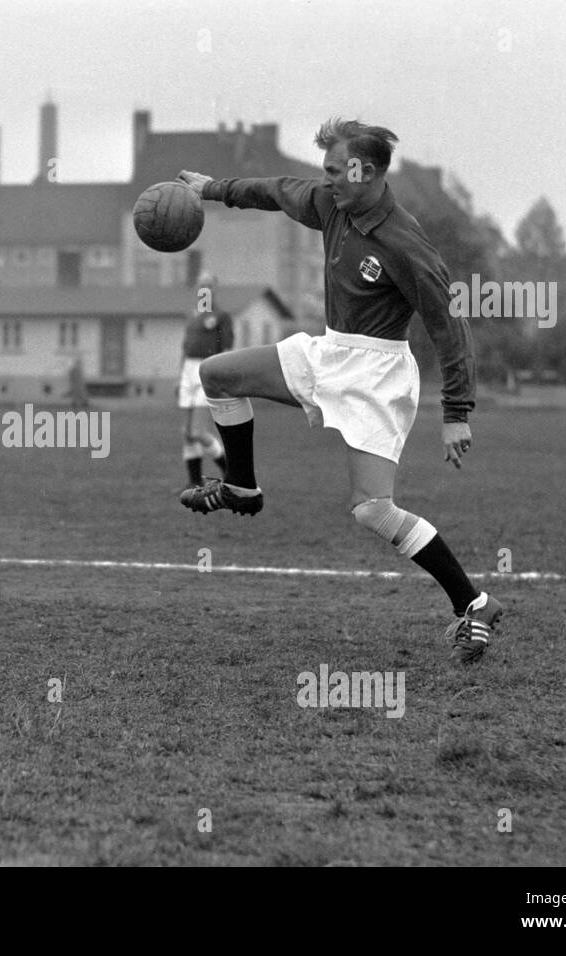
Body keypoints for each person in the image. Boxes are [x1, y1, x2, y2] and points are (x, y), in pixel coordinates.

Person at [176, 118, 504, 664]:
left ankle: (475, 605)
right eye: (325, 171)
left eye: (335, 170)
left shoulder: (403, 241)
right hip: (329, 352)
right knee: (218, 375)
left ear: (367, 170)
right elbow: (277, 191)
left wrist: (456, 411)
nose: (326, 181)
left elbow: (449, 323)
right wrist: (213, 189)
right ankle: (242, 486)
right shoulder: (332, 202)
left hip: (378, 376)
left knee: (373, 510)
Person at [178, 272, 231, 487]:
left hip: (207, 370)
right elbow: (185, 347)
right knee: (187, 433)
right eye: (201, 285)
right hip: (187, 372)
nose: (205, 288)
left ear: (215, 289)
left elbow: (227, 349)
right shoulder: (191, 316)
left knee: (199, 432)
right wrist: (179, 375)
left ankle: (233, 472)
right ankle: (194, 483)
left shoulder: (221, 316)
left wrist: (224, 376)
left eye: (209, 284)